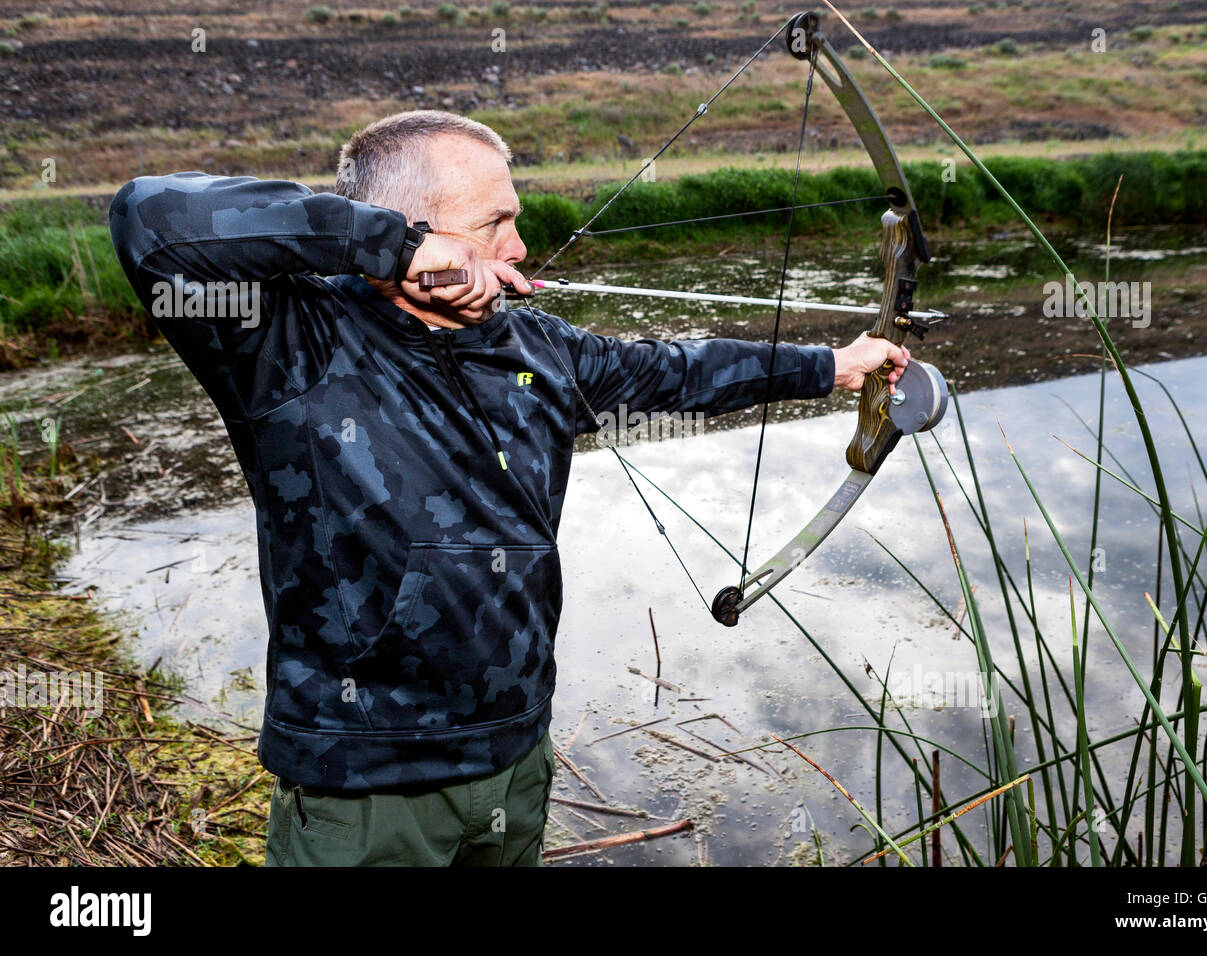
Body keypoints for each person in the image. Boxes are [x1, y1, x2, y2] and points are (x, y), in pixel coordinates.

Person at [109, 109, 909, 866]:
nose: (520, 245)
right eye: (496, 223)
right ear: (415, 228)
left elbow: (676, 372)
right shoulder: (287, 340)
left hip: (515, 759)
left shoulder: (535, 345)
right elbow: (147, 217)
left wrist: (831, 366)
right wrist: (383, 248)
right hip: (363, 785)